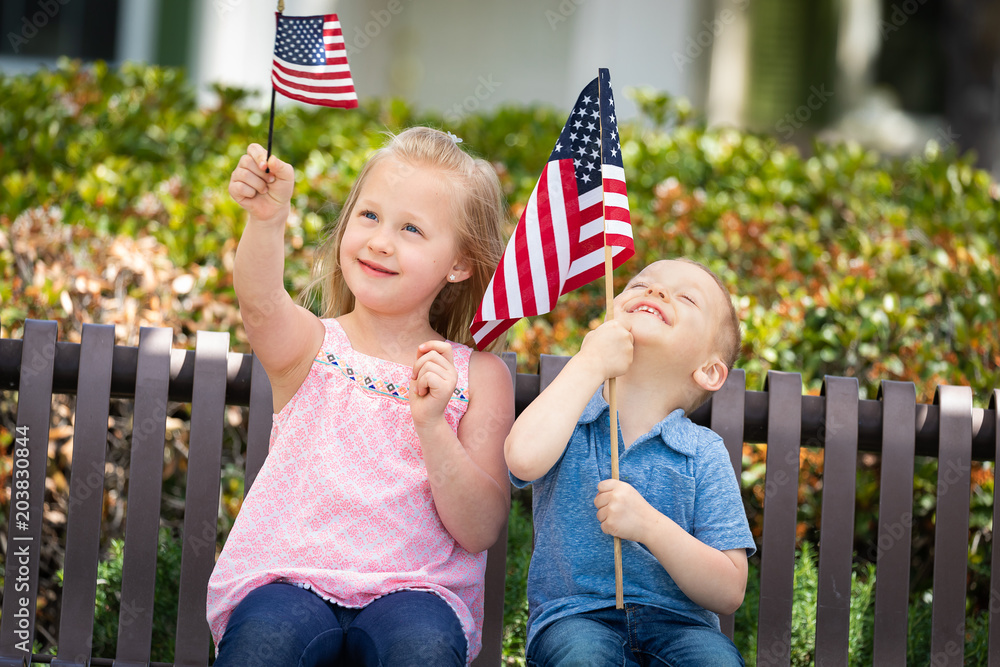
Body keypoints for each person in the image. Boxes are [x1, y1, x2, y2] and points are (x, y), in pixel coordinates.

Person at [207, 127, 514, 667]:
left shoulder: (478, 376)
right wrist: (266, 218)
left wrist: (432, 426)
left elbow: (479, 527)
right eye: (369, 216)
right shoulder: (311, 345)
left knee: (421, 650)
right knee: (263, 644)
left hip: (417, 590)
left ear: (460, 263)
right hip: (290, 576)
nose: (379, 240)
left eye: (412, 229)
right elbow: (259, 302)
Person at [505, 258, 755, 667]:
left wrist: (649, 526)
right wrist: (588, 363)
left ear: (709, 371)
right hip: (575, 620)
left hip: (682, 627)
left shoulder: (703, 453)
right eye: (641, 284)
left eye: (685, 298)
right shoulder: (570, 417)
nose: (655, 292)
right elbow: (522, 458)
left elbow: (728, 591)